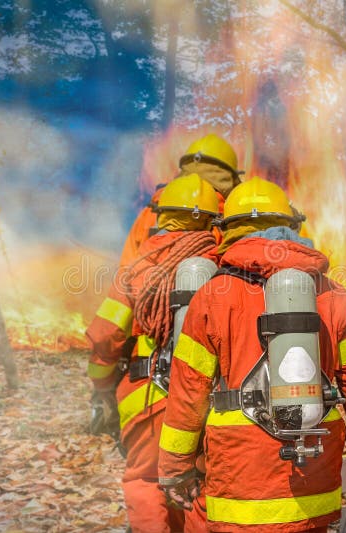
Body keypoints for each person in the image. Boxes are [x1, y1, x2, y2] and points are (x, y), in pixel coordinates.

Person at [157, 177, 346, 532]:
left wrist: (175, 468)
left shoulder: (211, 296)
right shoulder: (332, 294)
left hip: (241, 487)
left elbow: (188, 391)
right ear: (291, 226)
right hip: (312, 481)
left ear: (228, 230)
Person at [86, 174, 221, 533]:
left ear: (161, 217)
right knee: (201, 484)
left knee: (147, 480)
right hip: (207, 401)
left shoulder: (137, 270)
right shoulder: (222, 266)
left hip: (149, 397)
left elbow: (104, 337)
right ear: (212, 219)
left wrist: (100, 386)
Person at [119, 133, 242, 267]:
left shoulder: (152, 210)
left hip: (145, 283)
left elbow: (126, 269)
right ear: (231, 177)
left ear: (184, 169)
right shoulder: (234, 219)